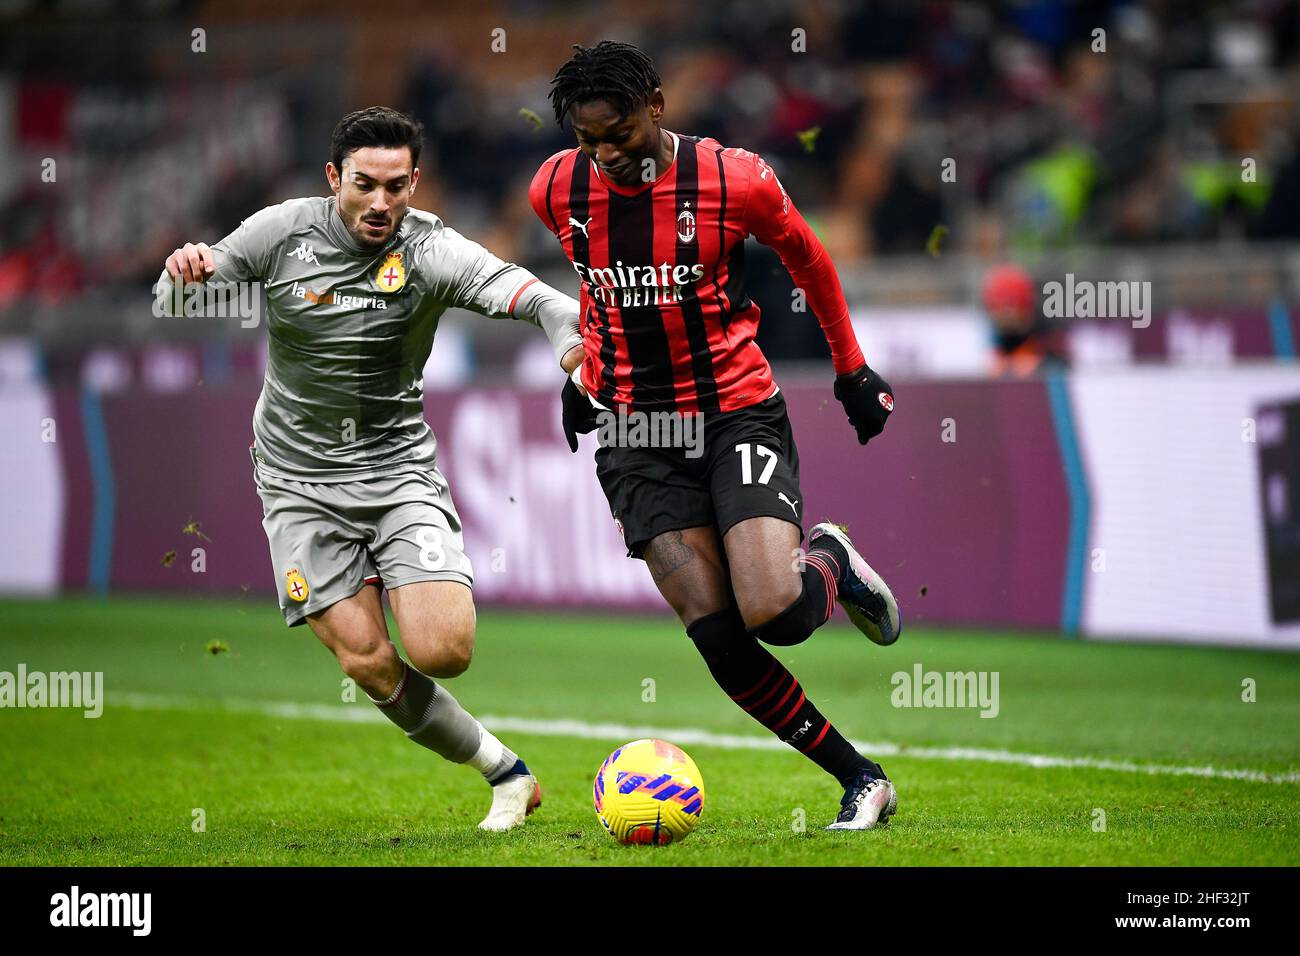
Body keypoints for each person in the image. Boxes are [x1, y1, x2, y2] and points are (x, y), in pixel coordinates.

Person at [155, 107, 584, 831]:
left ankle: (396, 565)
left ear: (414, 183)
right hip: (296, 481)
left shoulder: (429, 250)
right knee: (368, 664)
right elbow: (172, 301)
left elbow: (532, 294)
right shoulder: (281, 232)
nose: (380, 202)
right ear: (334, 180)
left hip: (395, 472)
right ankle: (506, 774)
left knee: (443, 650)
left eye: (396, 185)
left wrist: (569, 341)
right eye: (364, 185)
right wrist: (182, 271)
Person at [531, 41, 903, 830]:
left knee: (778, 611)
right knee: (717, 632)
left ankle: (830, 558)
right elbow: (596, 291)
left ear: (656, 107)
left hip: (734, 410)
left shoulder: (735, 179)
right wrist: (582, 374)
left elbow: (809, 259)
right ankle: (861, 776)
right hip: (634, 429)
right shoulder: (554, 190)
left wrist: (851, 368)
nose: (607, 156)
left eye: (620, 134)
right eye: (588, 141)